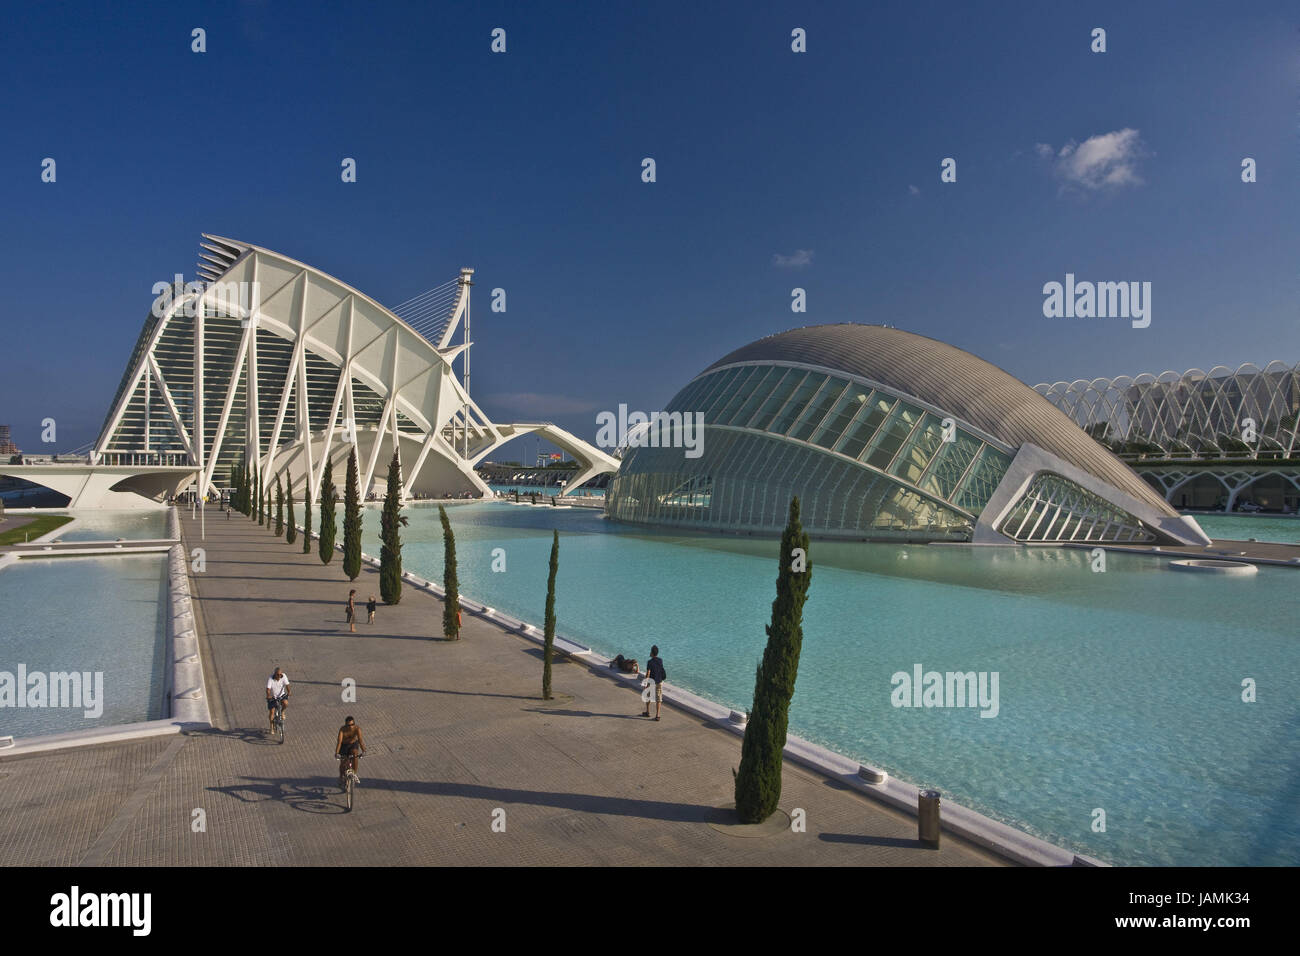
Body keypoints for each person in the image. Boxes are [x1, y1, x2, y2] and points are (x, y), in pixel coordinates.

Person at [335, 715, 367, 789]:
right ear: (345, 725)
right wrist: (337, 753)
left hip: (353, 744)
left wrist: (364, 751)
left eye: (352, 724)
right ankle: (341, 777)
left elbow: (360, 740)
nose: (351, 726)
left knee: (355, 755)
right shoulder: (342, 730)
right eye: (349, 725)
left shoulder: (357, 729)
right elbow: (339, 742)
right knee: (343, 762)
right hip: (344, 745)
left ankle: (354, 774)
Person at [642, 645, 666, 720]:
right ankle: (657, 715)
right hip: (659, 681)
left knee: (648, 696)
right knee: (658, 698)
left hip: (651, 682)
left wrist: (645, 683)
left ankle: (647, 712)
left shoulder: (649, 662)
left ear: (652, 653)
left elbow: (648, 673)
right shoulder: (660, 660)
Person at [266, 667, 291, 733]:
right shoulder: (270, 679)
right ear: (275, 674)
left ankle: (282, 712)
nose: (279, 676)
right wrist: (268, 696)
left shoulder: (284, 676)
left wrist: (289, 692)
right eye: (278, 674)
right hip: (273, 697)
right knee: (272, 712)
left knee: (286, 703)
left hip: (281, 695)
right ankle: (271, 727)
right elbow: (268, 689)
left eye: (280, 674)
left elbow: (287, 685)